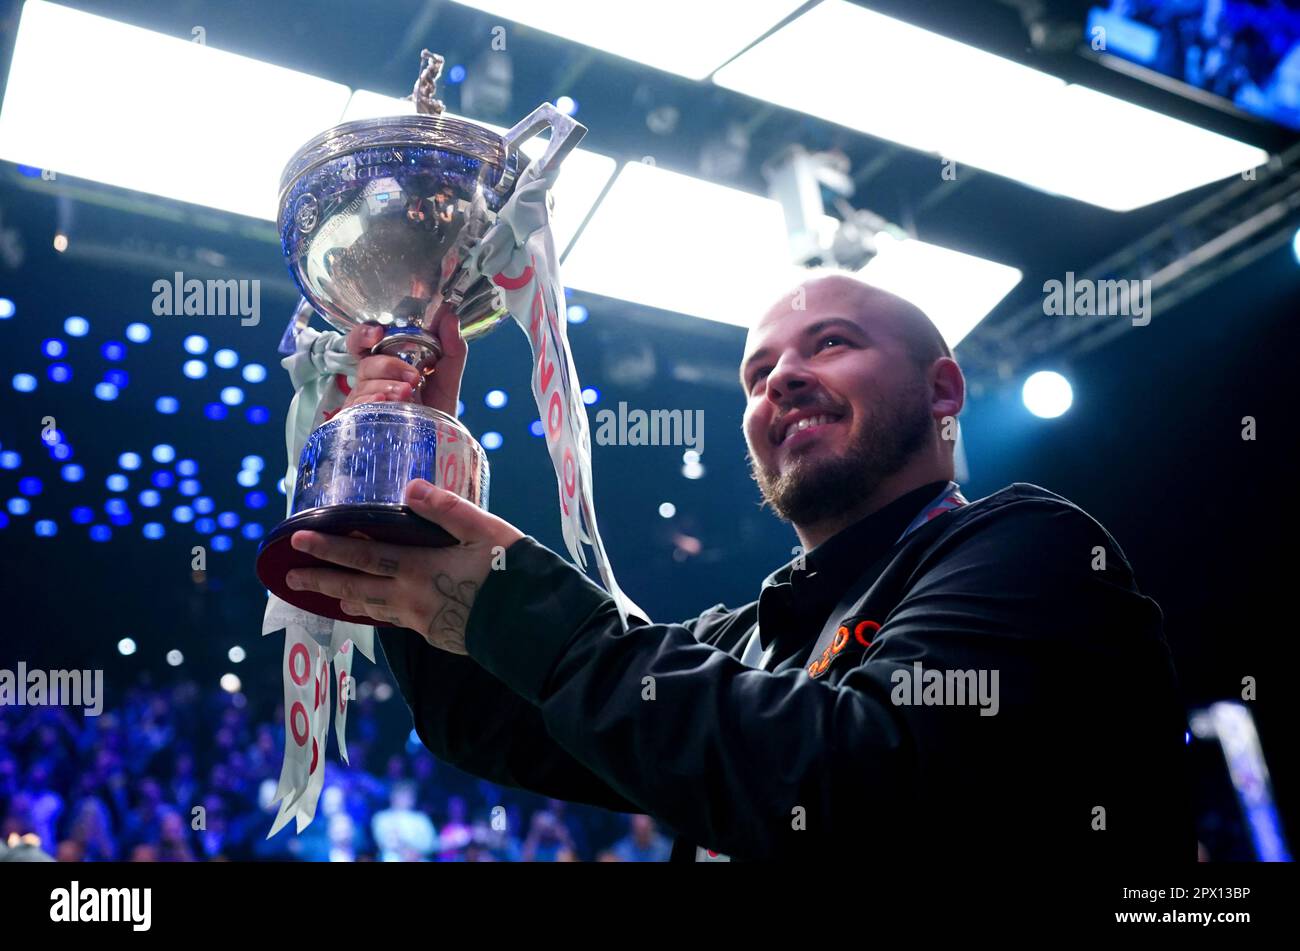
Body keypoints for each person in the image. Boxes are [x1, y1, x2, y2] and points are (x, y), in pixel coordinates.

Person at [282, 274, 1193, 861]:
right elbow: (499, 722)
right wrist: (402, 470)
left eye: (829, 344)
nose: (781, 380)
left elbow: (856, 784)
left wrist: (527, 606)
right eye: (758, 375)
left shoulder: (1033, 550)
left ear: (942, 390)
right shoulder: (751, 639)